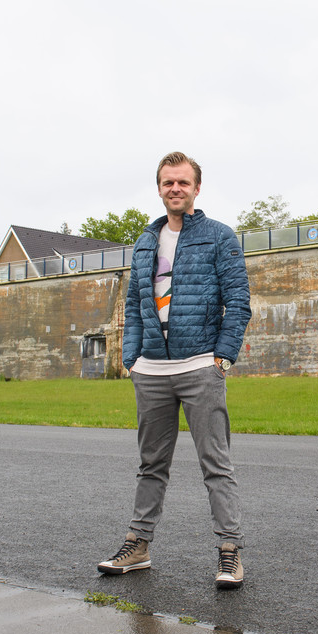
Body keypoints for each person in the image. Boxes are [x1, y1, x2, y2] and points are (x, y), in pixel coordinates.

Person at [98, 150, 252, 589]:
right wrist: (132, 356)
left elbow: (238, 302)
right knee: (151, 464)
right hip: (151, 369)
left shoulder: (219, 237)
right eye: (168, 182)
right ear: (160, 187)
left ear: (196, 188)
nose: (175, 189)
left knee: (215, 464)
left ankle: (229, 552)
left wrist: (223, 356)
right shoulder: (145, 241)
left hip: (200, 365)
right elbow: (132, 303)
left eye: (183, 182)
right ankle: (138, 545)